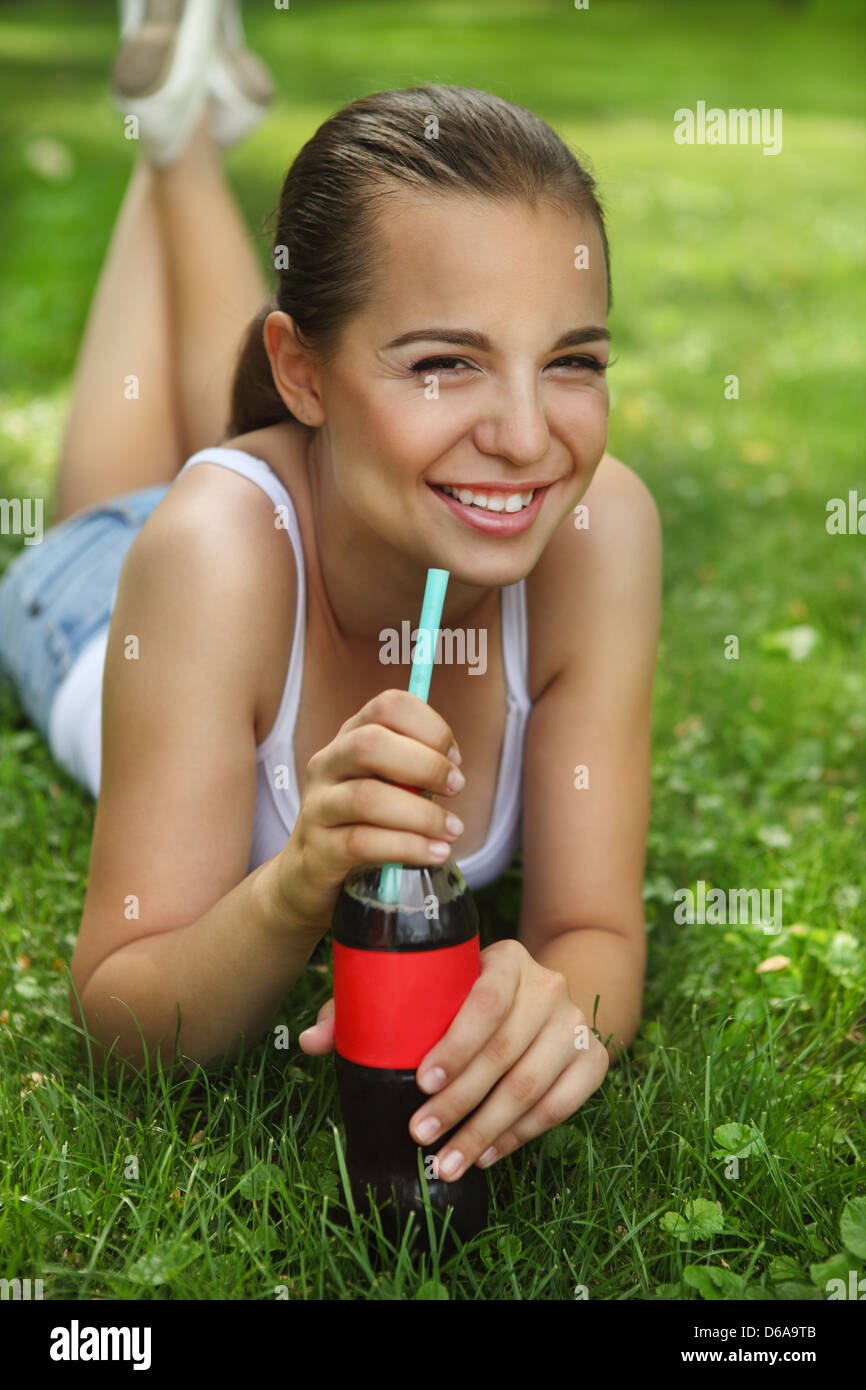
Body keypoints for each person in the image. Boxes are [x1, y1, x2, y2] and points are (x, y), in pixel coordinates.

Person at [0, 0, 661, 1187]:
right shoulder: (203, 551)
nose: (525, 436)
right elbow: (118, 1011)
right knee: (147, 501)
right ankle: (174, 140)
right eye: (445, 361)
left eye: (571, 359)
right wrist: (296, 882)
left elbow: (593, 932)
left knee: (262, 431)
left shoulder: (600, 528)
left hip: (291, 511)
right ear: (299, 370)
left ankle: (173, 128)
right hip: (110, 602)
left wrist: (564, 1006)